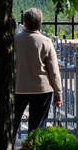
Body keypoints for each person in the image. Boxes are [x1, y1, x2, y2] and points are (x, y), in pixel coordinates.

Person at [13, 8, 62, 138]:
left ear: (24, 23)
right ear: (40, 24)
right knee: (37, 130)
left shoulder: (15, 40)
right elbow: (54, 71)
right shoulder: (46, 42)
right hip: (42, 89)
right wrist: (58, 93)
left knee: (12, 125)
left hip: (19, 88)